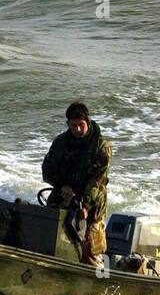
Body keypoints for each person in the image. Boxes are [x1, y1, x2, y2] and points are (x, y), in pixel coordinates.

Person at [41, 102, 112, 265]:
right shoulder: (60, 143)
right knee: (48, 232)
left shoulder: (101, 147)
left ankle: (98, 273)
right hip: (63, 194)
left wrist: (85, 206)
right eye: (73, 126)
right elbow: (47, 170)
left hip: (91, 201)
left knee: (91, 250)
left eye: (81, 125)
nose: (77, 130)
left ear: (88, 121)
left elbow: (97, 181)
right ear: (68, 124)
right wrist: (62, 186)